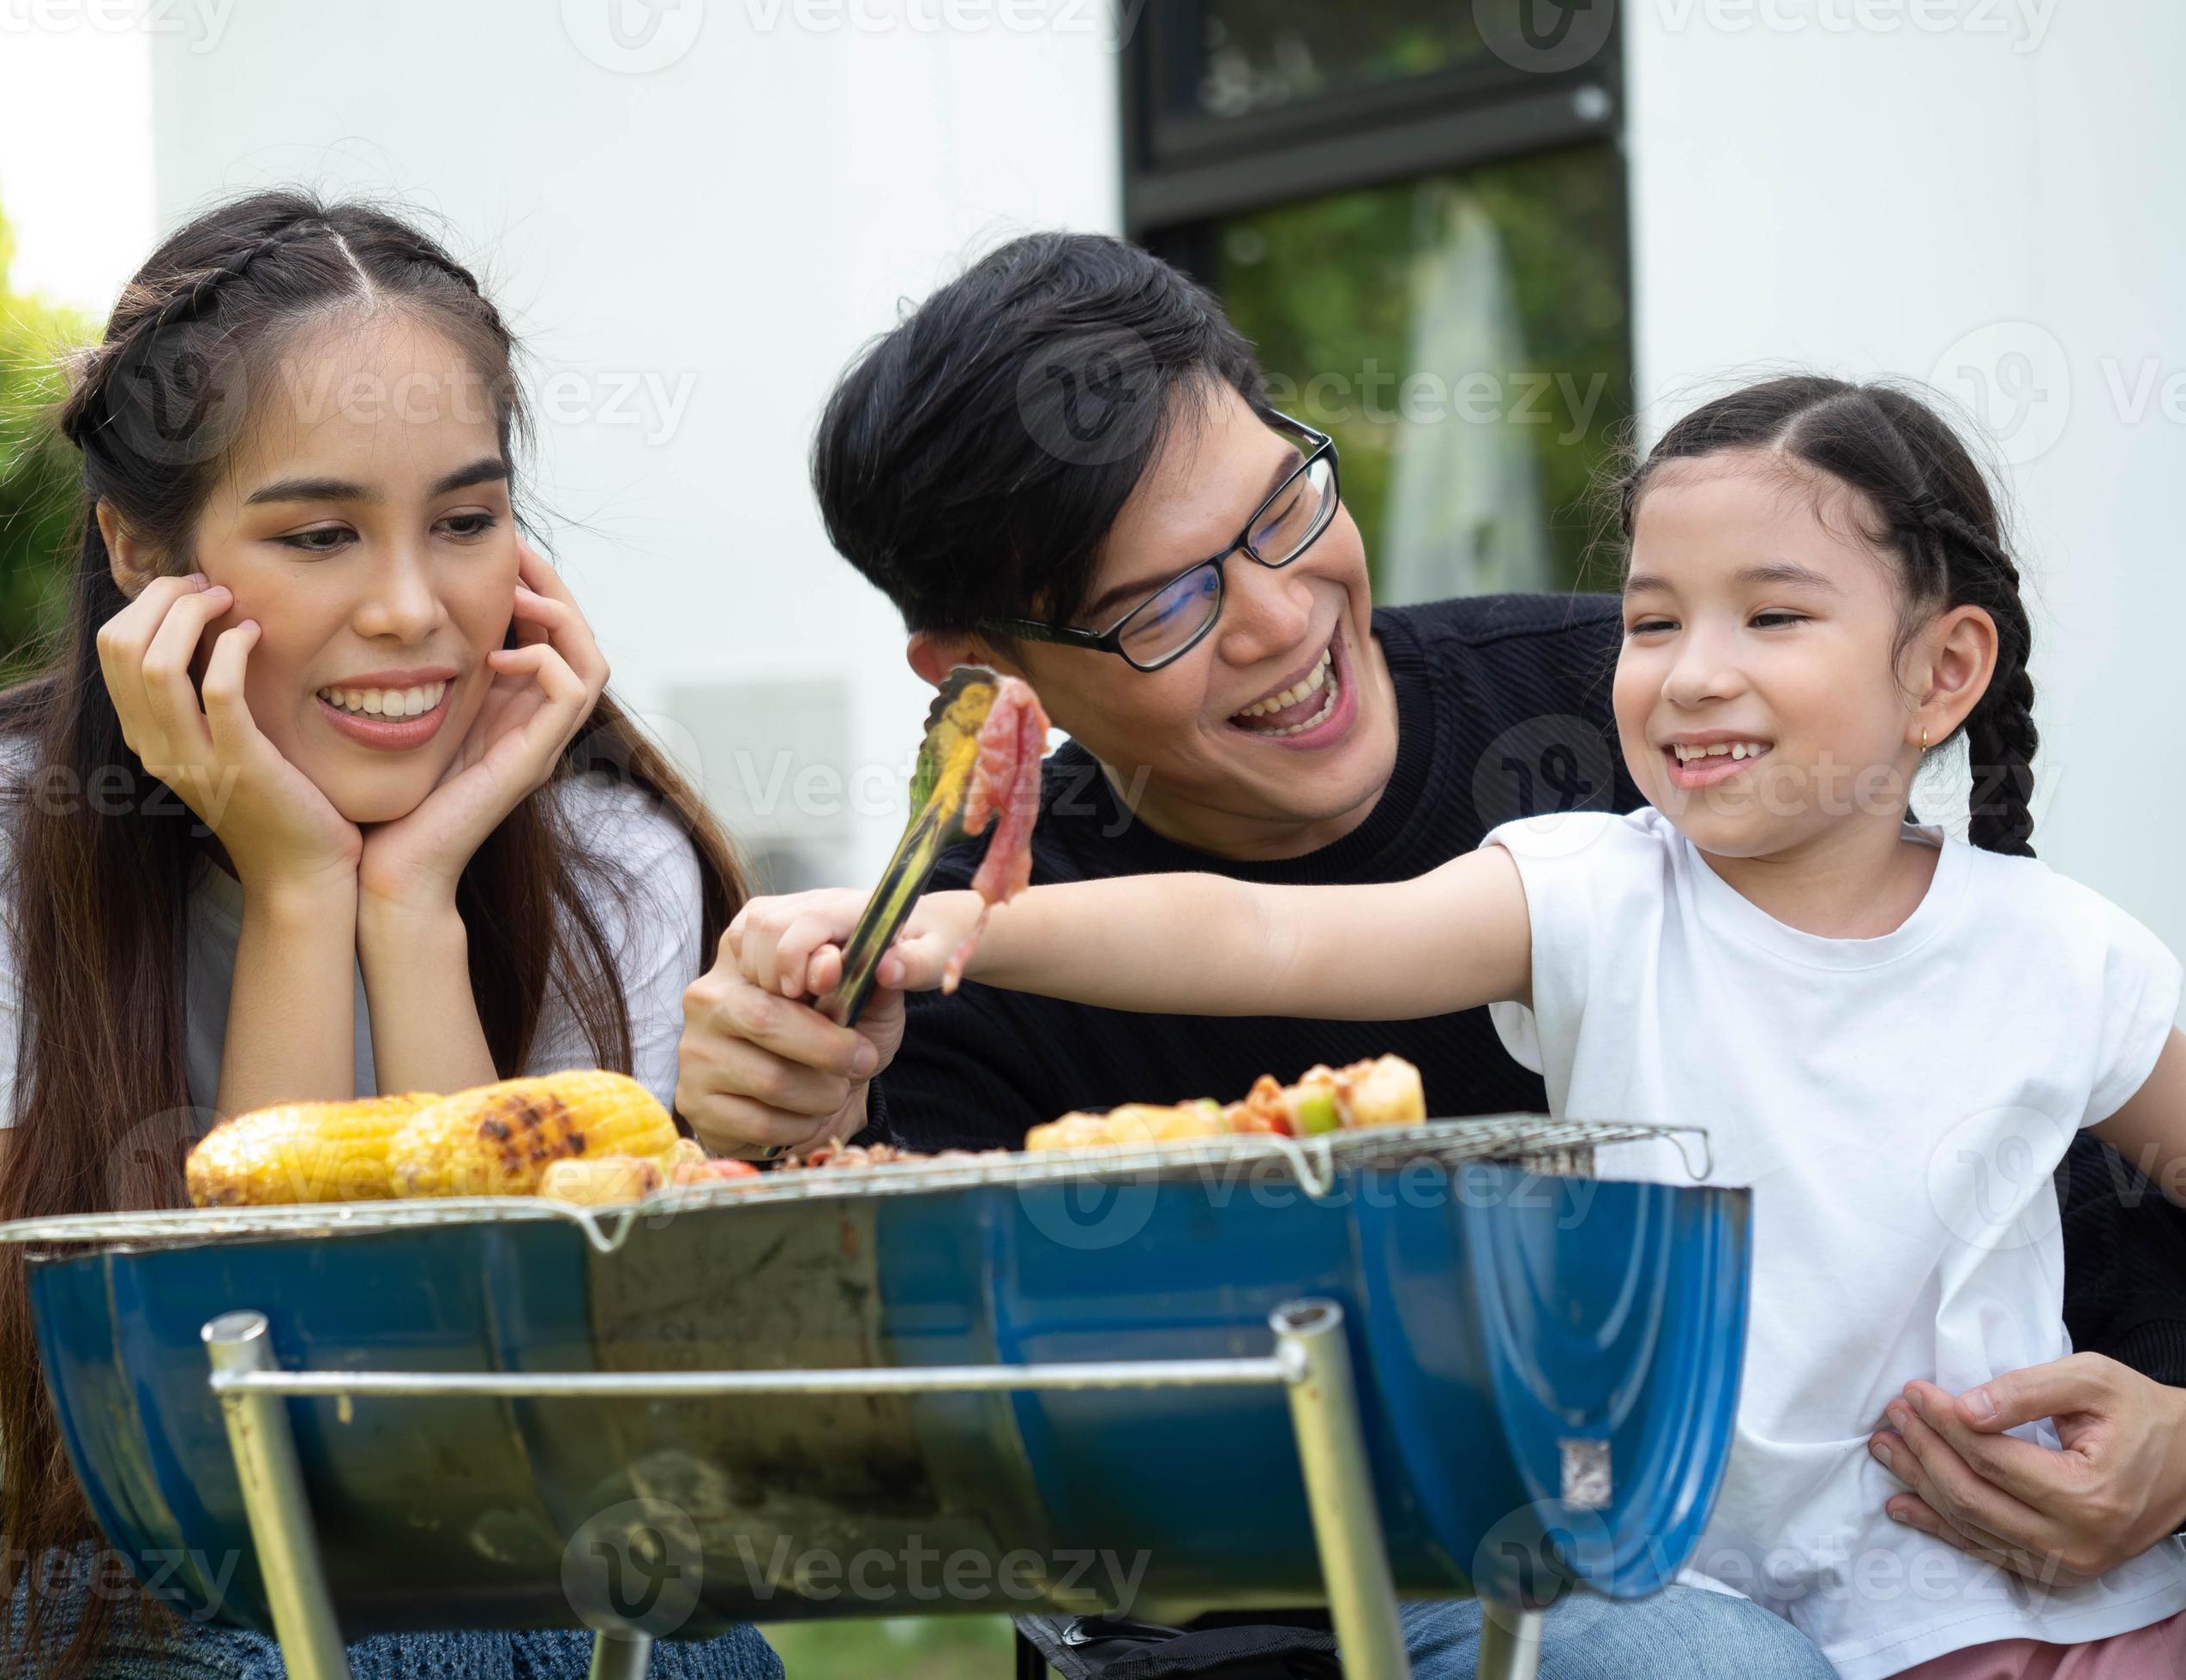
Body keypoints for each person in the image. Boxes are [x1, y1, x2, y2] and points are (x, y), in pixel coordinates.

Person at [678, 234, 2186, 1676]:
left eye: (1280, 511)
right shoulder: (962, 965)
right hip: (1332, 1611)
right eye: (1160, 606)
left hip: (1991, 1590)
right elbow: (865, 1443)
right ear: (982, 672)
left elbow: (2014, 1143)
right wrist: (804, 1109)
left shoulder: (1678, 729)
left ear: (1939, 674)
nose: (1277, 619)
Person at [0, 193, 779, 1679]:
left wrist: (409, 904)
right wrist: (296, 891)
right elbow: (221, 1479)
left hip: (488, 1575)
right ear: (137, 551)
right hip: (68, 1574)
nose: (410, 609)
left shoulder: (612, 866)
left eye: (464, 523)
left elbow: (506, 1440)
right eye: (321, 534)